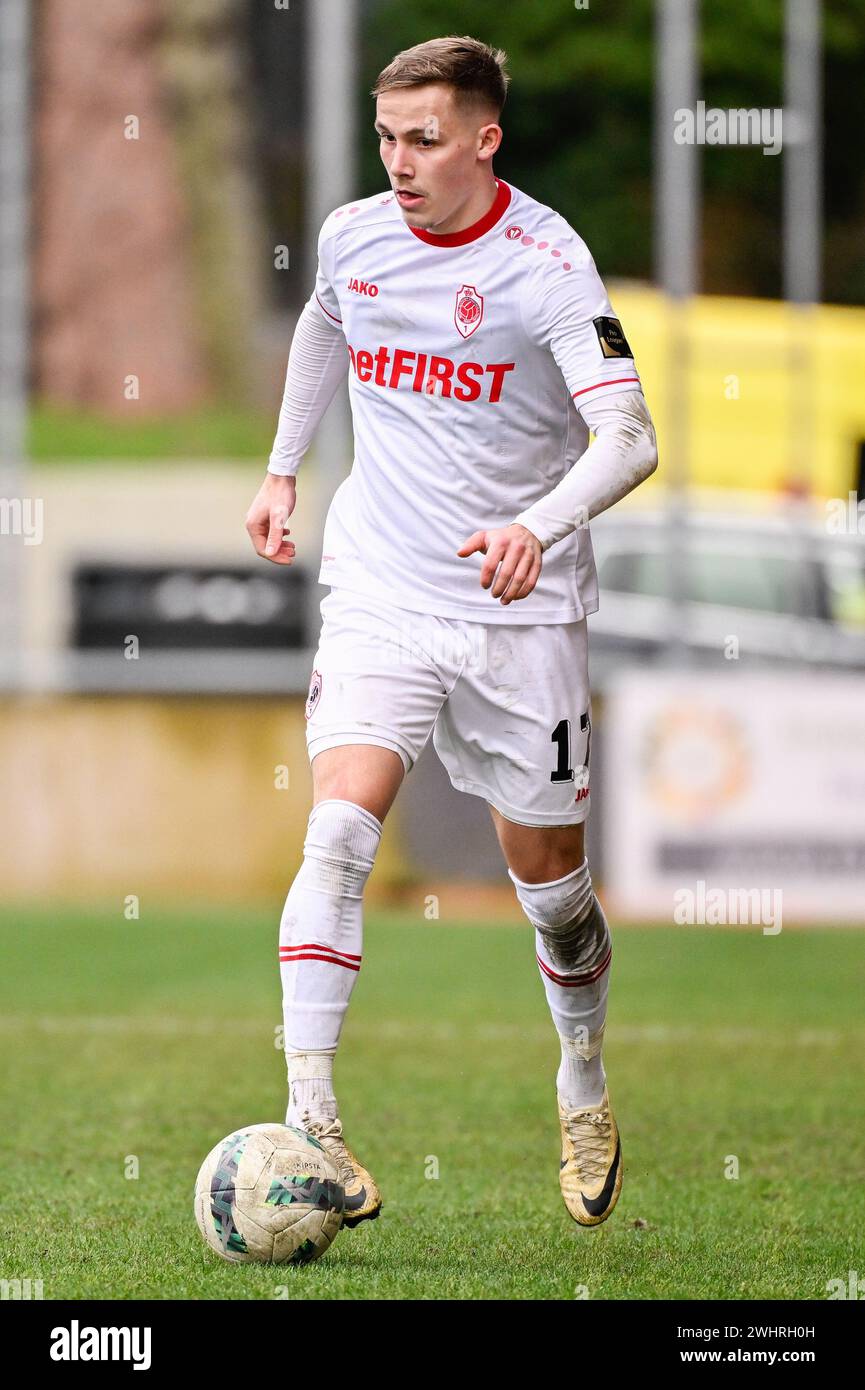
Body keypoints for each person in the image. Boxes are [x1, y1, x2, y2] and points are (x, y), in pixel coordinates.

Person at [246, 34, 658, 1229]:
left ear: (486, 138)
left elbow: (629, 436)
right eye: (386, 138)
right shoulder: (354, 234)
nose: (400, 163)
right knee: (335, 837)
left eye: (424, 140)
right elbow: (325, 325)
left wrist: (538, 522)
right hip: (382, 586)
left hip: (520, 612)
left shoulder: (548, 264)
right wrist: (282, 471)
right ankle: (312, 1122)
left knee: (556, 900)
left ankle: (580, 1077)